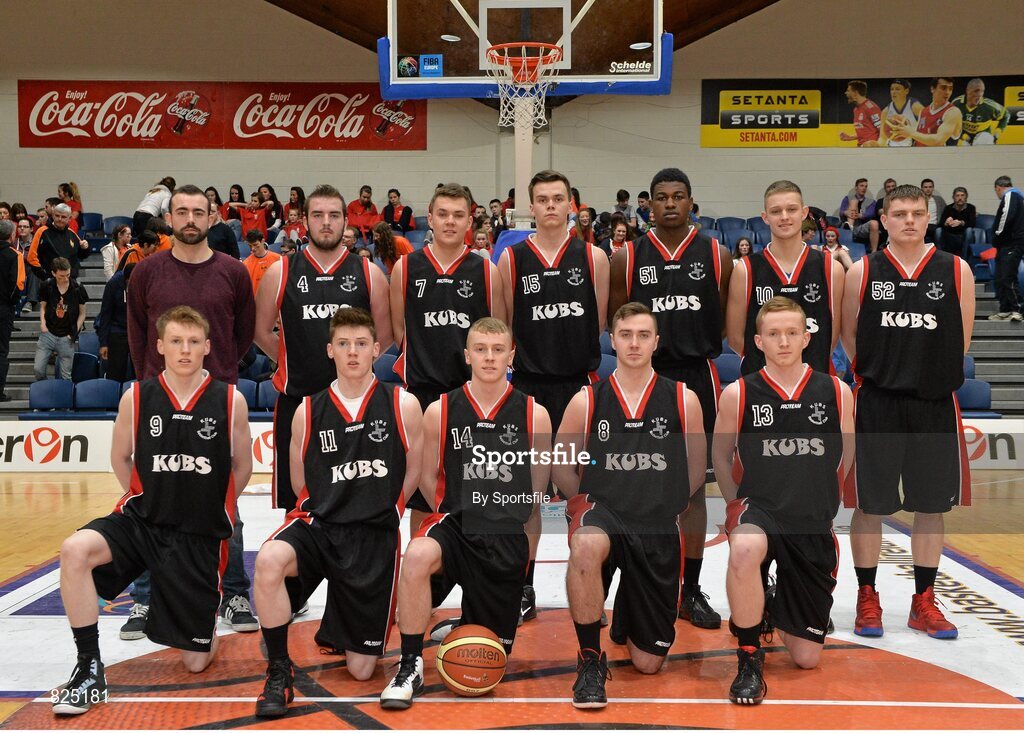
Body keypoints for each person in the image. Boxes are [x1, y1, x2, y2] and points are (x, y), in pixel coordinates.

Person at [50, 306, 251, 716]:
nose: (184, 350)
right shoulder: (137, 397)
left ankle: (197, 619)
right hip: (142, 522)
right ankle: (88, 668)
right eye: (176, 341)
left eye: (193, 342)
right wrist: (148, 497)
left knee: (195, 661)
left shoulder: (231, 400)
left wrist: (213, 505)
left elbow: (242, 467)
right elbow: (120, 457)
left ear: (207, 347)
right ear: (160, 346)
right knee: (75, 550)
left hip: (197, 535)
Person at [253, 307, 422, 718]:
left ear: (376, 349)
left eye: (361, 344)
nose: (352, 352)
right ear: (330, 350)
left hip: (372, 534)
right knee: (269, 559)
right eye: (343, 344)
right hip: (321, 528)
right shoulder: (307, 410)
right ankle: (279, 671)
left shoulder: (403, 404)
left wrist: (386, 508)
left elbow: (414, 470)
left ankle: (338, 623)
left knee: (362, 671)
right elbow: (299, 481)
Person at [380, 317, 551, 710]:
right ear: (467, 355)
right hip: (456, 527)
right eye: (481, 349)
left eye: (497, 350)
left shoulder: (534, 414)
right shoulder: (440, 410)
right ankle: (410, 665)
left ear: (511, 356)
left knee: (487, 655)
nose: (489, 357)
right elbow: (427, 478)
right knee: (418, 554)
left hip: (503, 536)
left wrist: (519, 561)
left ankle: (467, 620)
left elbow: (535, 492)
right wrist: (456, 510)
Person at [841, 184, 975, 640]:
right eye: (900, 214)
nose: (910, 221)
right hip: (878, 402)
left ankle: (924, 601)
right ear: (884, 220)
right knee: (869, 505)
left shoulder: (955, 269)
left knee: (931, 507)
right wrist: (881, 371)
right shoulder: (863, 271)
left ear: (929, 216)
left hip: (933, 404)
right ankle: (867, 596)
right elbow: (849, 336)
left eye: (918, 212)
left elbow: (962, 339)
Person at [555, 303, 706, 708]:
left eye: (643, 335)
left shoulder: (683, 399)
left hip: (655, 523)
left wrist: (668, 503)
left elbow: (695, 469)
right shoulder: (587, 401)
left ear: (657, 342)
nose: (634, 343)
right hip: (604, 513)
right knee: (586, 543)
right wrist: (585, 505)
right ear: (612, 341)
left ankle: (627, 609)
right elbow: (561, 465)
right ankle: (590, 660)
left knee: (648, 663)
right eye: (625, 335)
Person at [125, 185, 257, 636]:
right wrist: (150, 384)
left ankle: (233, 592)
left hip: (216, 398)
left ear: (212, 218)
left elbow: (242, 334)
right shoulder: (146, 272)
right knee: (150, 500)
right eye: (181, 211)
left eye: (199, 212)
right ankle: (145, 599)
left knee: (226, 500)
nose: (190, 219)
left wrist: (220, 373)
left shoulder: (233, 272)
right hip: (159, 399)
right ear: (169, 218)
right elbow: (138, 334)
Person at [607, 167, 733, 630]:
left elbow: (724, 320)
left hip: (696, 376)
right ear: (650, 204)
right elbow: (617, 319)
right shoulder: (627, 258)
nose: (670, 204)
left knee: (694, 489)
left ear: (690, 201)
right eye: (661, 197)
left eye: (679, 196)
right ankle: (636, 587)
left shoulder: (717, 255)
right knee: (632, 485)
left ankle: (690, 589)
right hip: (644, 380)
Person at [714, 296, 853, 705]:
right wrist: (735, 507)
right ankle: (749, 656)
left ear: (807, 337)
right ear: (758, 341)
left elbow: (846, 454)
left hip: (810, 520)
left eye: (792, 332)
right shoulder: (739, 393)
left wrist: (824, 497)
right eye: (774, 334)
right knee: (745, 546)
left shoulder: (836, 391)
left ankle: (770, 602)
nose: (784, 341)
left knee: (806, 658)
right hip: (760, 510)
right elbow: (720, 455)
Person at [498, 169, 608, 625]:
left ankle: (589, 586)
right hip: (529, 388)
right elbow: (503, 323)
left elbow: (599, 323)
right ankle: (523, 586)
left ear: (571, 205)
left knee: (585, 494)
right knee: (526, 495)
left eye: (557, 198)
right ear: (531, 207)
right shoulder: (512, 259)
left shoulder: (594, 257)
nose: (549, 206)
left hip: (578, 389)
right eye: (541, 199)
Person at [254, 184, 392, 512]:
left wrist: (356, 368)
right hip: (297, 401)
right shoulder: (281, 271)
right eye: (317, 215)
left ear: (346, 220)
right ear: (304, 221)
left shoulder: (369, 273)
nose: (326, 222)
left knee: (359, 505)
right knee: (297, 509)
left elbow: (385, 336)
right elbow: (260, 332)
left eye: (333, 215)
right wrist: (290, 360)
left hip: (356, 408)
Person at [390, 183, 504, 533]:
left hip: (471, 398)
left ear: (470, 221)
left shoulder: (486, 271)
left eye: (458, 215)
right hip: (422, 394)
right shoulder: (405, 268)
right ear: (430, 217)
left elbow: (498, 333)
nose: (450, 222)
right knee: (422, 500)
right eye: (442, 214)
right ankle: (422, 564)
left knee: (478, 491)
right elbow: (399, 332)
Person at [727, 180, 844, 375]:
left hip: (814, 381)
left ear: (804, 213)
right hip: (760, 383)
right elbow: (736, 339)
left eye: (791, 209)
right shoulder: (745, 270)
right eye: (775, 211)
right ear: (765, 217)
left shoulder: (831, 268)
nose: (784, 217)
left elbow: (830, 338)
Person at [35, 257, 88, 381]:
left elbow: (82, 314)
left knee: (66, 376)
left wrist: (73, 333)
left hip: (67, 335)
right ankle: (47, 387)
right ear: (53, 273)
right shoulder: (47, 285)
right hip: (48, 333)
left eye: (67, 275)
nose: (65, 279)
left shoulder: (77, 288)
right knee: (38, 370)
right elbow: (43, 307)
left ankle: (63, 393)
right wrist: (43, 324)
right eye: (61, 276)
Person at [27, 203, 90, 281]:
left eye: (63, 217)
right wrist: (45, 277)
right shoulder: (42, 231)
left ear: (69, 218)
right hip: (50, 281)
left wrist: (85, 248)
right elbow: (31, 257)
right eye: (57, 216)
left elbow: (82, 255)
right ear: (53, 215)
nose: (60, 219)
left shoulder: (71, 233)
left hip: (70, 281)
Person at [990, 175, 1024, 321]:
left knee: (1008, 276)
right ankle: (1005, 309)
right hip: (1006, 245)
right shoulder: (1019, 197)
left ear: (998, 188)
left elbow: (1006, 216)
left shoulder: (1011, 195)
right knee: (999, 277)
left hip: (1011, 243)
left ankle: (1017, 309)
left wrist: (997, 235)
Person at [894, 77, 963, 147]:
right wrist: (903, 129)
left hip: (941, 154)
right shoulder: (923, 112)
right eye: (943, 88)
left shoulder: (953, 112)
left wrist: (911, 133)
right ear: (932, 89)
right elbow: (918, 138)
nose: (947, 92)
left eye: (950, 89)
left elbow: (938, 141)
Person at [97, 264, 133, 383]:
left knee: (140, 373)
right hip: (117, 330)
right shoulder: (113, 284)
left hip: (136, 331)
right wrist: (103, 343)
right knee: (116, 373)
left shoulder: (143, 281)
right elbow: (105, 314)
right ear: (127, 279)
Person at [0, 220, 22, 401]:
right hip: (3, 309)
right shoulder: (15, 255)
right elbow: (18, 285)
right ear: (12, 235)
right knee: (1, 351)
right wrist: (11, 303)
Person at [953, 78, 1009, 146]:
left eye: (982, 91)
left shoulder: (989, 106)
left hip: (983, 136)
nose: (979, 94)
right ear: (968, 91)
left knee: (985, 138)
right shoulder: (956, 104)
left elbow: (1006, 115)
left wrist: (998, 131)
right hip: (966, 138)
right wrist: (963, 136)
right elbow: (951, 124)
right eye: (976, 91)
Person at [870, 79, 922, 148]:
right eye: (892, 89)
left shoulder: (916, 107)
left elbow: (926, 131)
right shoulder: (885, 111)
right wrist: (875, 145)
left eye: (897, 89)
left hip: (912, 149)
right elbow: (883, 138)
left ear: (906, 91)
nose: (893, 92)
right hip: (891, 149)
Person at [839, 80, 881, 146]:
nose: (846, 93)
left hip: (871, 149)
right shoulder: (856, 110)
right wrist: (850, 137)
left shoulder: (871, 107)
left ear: (855, 93)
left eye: (848, 90)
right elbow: (866, 132)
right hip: (861, 147)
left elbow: (882, 130)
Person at [939, 187, 977, 257]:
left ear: (966, 197)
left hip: (964, 235)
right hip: (950, 235)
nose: (960, 198)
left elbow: (972, 223)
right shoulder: (948, 208)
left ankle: (964, 258)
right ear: (953, 197)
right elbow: (940, 224)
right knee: (940, 231)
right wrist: (946, 223)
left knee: (969, 230)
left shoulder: (971, 208)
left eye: (962, 195)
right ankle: (942, 258)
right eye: (957, 195)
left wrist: (961, 223)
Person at [242, 230, 280, 295]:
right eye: (250, 246)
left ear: (262, 241)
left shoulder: (278, 258)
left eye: (255, 245)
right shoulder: (246, 264)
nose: (253, 248)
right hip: (255, 298)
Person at [920, 179, 947, 243]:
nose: (928, 189)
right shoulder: (918, 200)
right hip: (922, 225)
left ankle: (938, 249)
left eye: (930, 187)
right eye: (925, 187)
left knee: (939, 232)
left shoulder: (939, 200)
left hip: (935, 226)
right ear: (922, 188)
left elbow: (946, 211)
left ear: (933, 188)